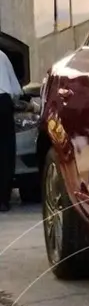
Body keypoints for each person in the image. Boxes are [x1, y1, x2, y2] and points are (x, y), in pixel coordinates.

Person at [0, 47, 20, 212]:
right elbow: (15, 90)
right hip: (3, 104)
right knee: (6, 151)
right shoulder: (2, 56)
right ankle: (3, 200)